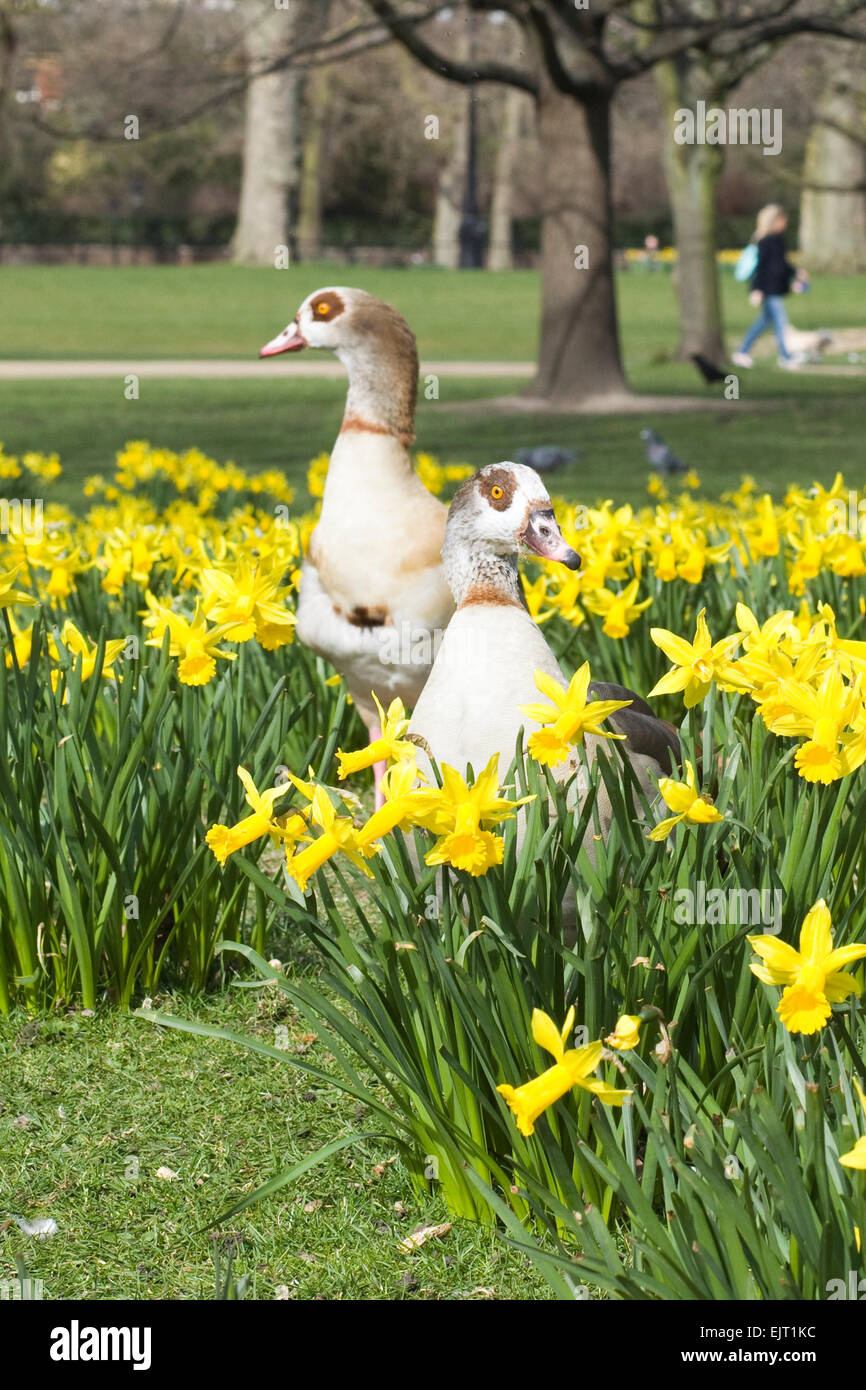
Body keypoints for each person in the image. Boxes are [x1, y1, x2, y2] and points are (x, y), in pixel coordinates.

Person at [732, 205, 809, 370]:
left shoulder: (778, 241)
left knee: (764, 322)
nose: (785, 223)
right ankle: (785, 357)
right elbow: (762, 269)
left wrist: (795, 274)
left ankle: (742, 352)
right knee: (781, 323)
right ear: (773, 221)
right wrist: (756, 289)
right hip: (767, 289)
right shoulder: (765, 242)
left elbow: (780, 266)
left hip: (775, 288)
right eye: (782, 220)